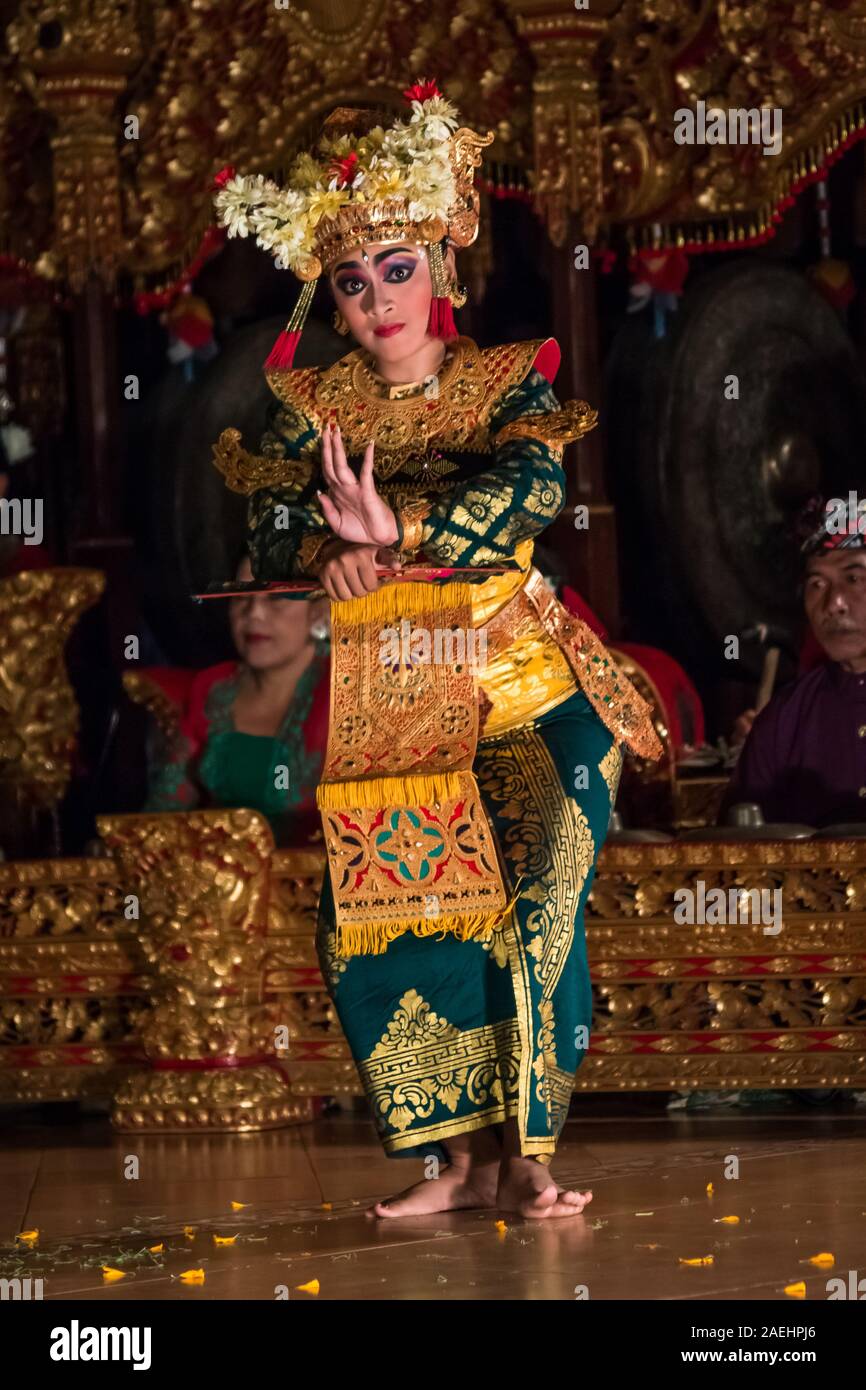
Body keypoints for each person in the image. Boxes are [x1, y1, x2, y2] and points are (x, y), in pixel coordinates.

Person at [213, 81, 662, 1219]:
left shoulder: (506, 381)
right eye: (353, 284)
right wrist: (323, 553)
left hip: (533, 694)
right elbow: (264, 516)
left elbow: (532, 485)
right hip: (398, 703)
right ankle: (447, 1163)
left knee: (534, 899)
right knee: (380, 919)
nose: (377, 304)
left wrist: (401, 530)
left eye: (398, 270)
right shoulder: (308, 405)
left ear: (443, 268)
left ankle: (530, 1155)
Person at [139, 554, 330, 843]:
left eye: (274, 597)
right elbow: (168, 805)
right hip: (219, 876)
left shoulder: (345, 691)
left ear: (318, 610)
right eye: (241, 597)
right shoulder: (214, 688)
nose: (253, 613)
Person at [724, 495, 866, 827]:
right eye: (817, 584)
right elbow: (739, 859)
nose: (834, 603)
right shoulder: (783, 721)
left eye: (854, 578)